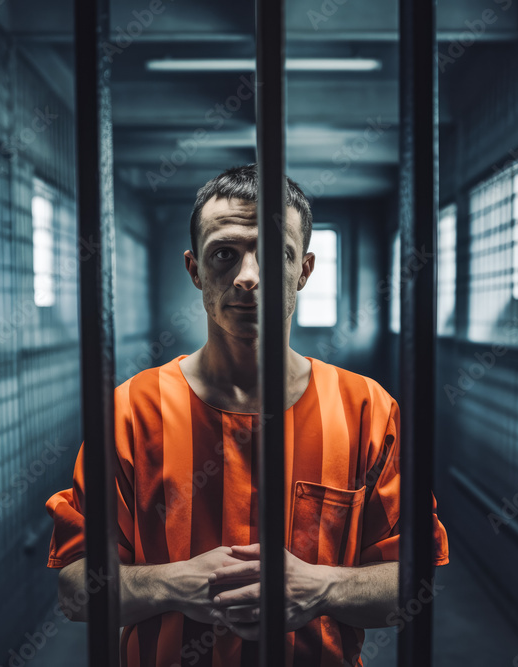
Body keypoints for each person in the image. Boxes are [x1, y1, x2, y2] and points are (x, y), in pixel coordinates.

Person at [45, 164, 448, 666]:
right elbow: (74, 589)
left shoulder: (366, 409)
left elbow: (414, 580)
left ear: (304, 269)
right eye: (224, 254)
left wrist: (321, 589)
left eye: (275, 253)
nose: (249, 277)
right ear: (195, 270)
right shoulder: (131, 412)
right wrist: (175, 583)